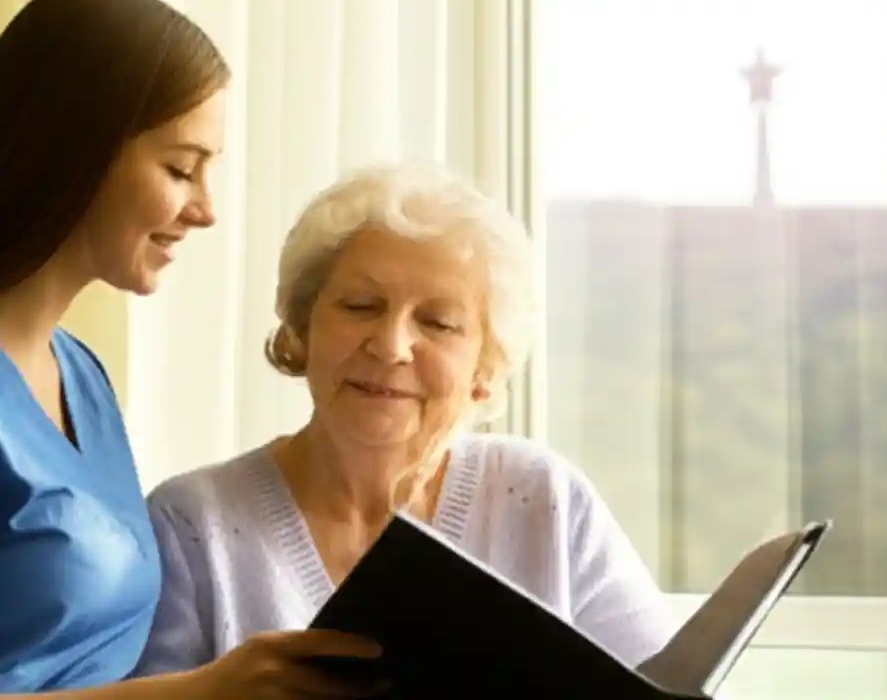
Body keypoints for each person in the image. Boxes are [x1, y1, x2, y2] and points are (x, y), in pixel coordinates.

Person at [131, 163, 679, 677]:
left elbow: (664, 686)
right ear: (303, 327)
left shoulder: (545, 500)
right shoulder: (192, 525)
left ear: (484, 368)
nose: (392, 346)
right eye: (361, 306)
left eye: (438, 323)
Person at [0, 0, 384, 697]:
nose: (206, 209)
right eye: (180, 168)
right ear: (74, 145)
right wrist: (201, 692)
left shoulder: (80, 374)